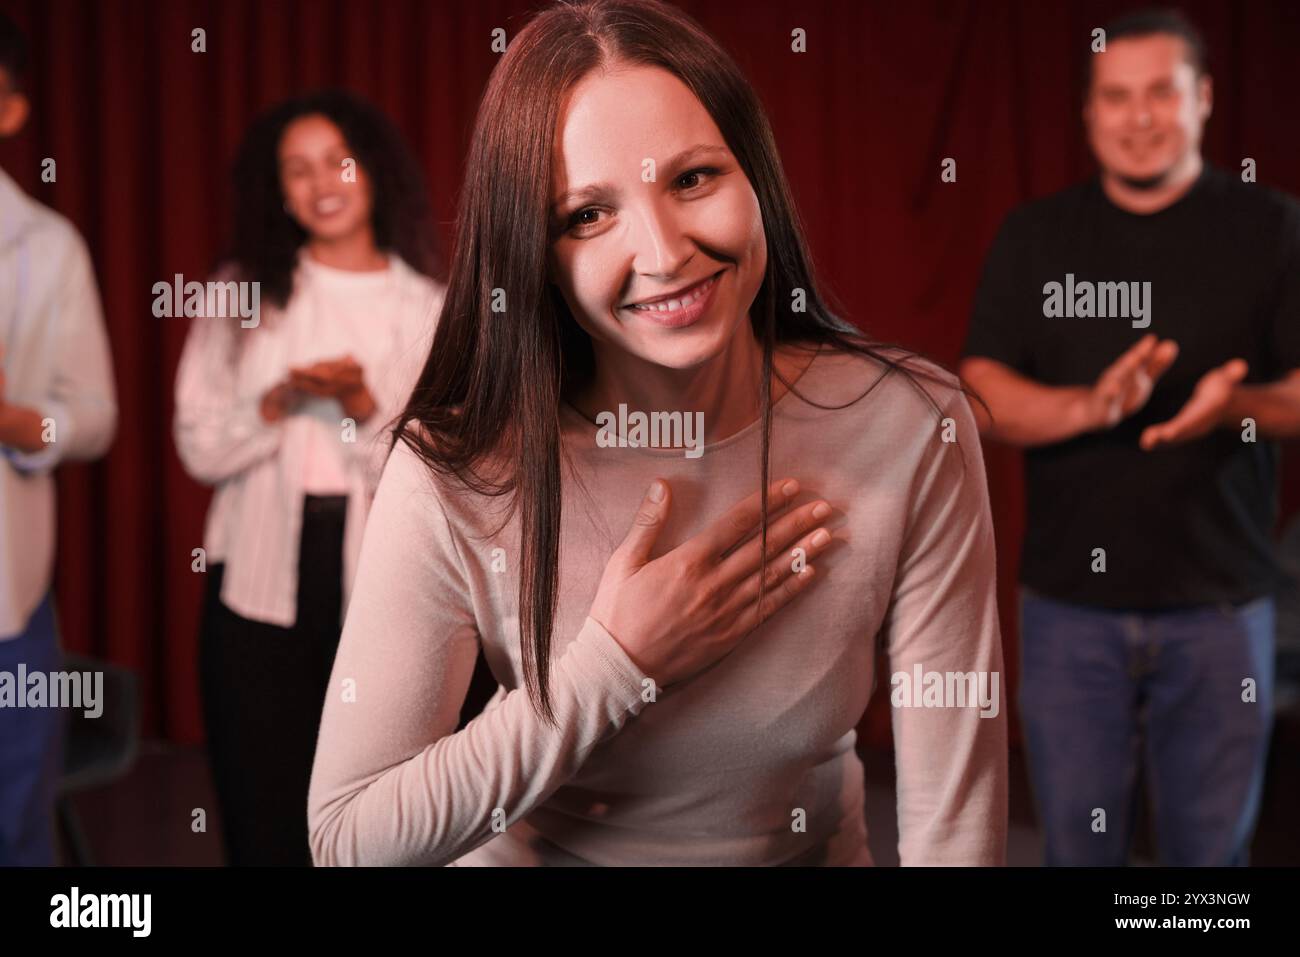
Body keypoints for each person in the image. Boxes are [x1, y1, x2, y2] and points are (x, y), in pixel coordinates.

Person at [309, 0, 1006, 867]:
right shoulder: (457, 469)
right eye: (588, 215)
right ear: (535, 249)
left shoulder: (912, 425)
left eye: (692, 179)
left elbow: (956, 825)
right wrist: (613, 665)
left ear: (757, 176)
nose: (666, 252)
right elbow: (346, 839)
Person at [959, 8, 1300, 865]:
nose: (1139, 117)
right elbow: (983, 395)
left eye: (1161, 93)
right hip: (1070, 609)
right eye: (1117, 96)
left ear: (1205, 98)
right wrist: (1093, 406)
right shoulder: (1034, 236)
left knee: (1209, 862)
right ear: (1088, 111)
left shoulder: (1275, 228)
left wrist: (1237, 404)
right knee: (1078, 847)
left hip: (1221, 607)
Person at [173, 90, 445, 866]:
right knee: (260, 798)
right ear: (278, 190)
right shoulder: (242, 295)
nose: (321, 182)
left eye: (337, 161)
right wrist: (275, 403)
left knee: (371, 805)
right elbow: (198, 446)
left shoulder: (427, 308)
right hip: (254, 584)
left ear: (374, 171)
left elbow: (435, 476)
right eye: (297, 170)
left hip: (380, 589)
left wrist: (360, 404)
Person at [0, 11, 118, 866]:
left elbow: (94, 417)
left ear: (10, 113)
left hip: (9, 600)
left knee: (16, 830)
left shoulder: (46, 246)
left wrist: (12, 419)